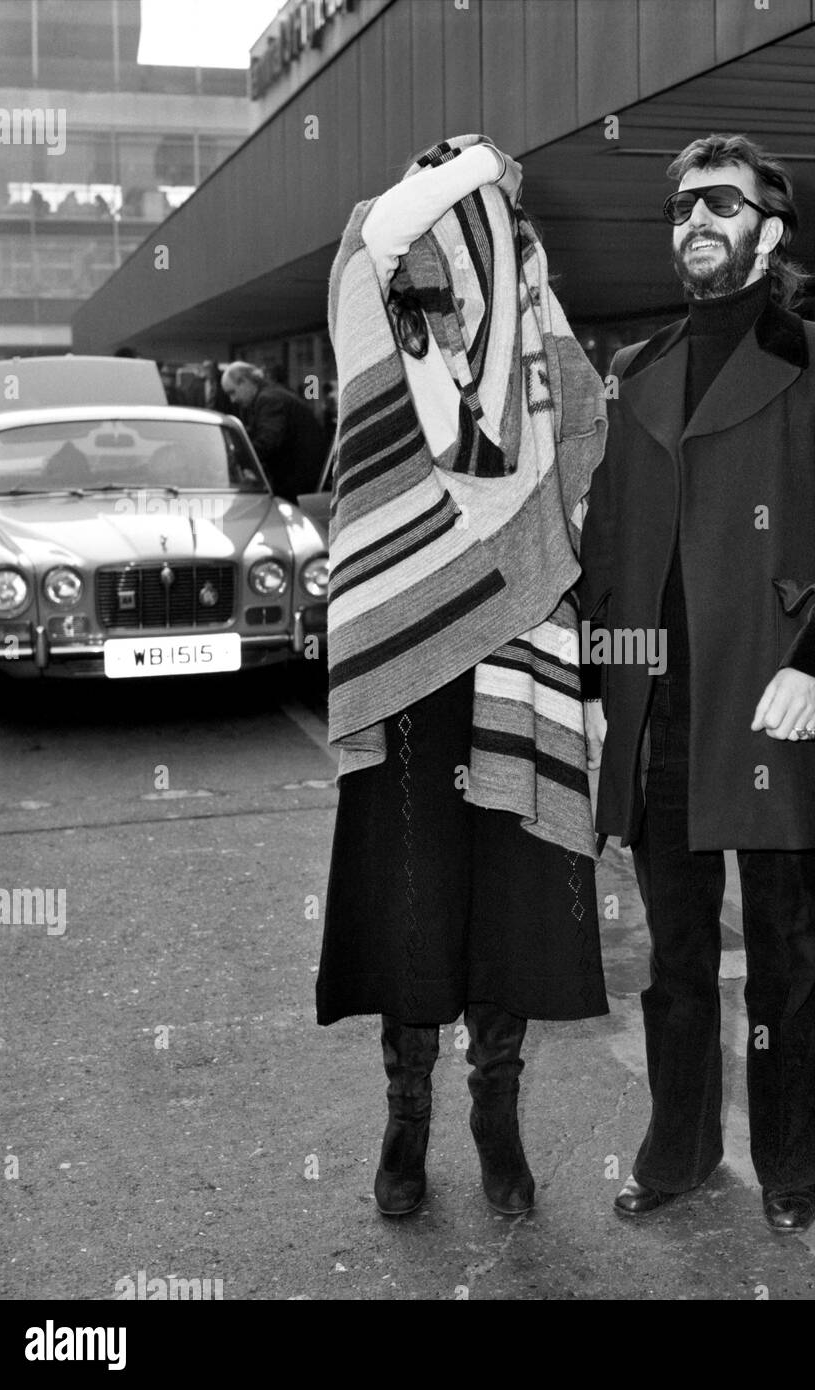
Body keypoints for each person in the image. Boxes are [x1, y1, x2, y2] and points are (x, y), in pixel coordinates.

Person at [578, 134, 815, 1234]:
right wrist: (597, 702)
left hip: (771, 704)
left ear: (771, 227)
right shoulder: (637, 369)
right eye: (679, 207)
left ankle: (791, 1164)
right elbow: (612, 557)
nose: (694, 220)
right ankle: (678, 1149)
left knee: (785, 959)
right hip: (662, 715)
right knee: (670, 961)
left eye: (720, 201)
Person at [315, 134, 609, 1220]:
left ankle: (497, 1109)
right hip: (406, 660)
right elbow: (381, 229)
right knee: (409, 897)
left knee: (507, 888)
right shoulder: (373, 316)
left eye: (477, 246)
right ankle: (407, 1117)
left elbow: (584, 436)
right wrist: (476, 161)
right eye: (446, 238)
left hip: (512, 650)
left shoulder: (525, 344)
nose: (457, 260)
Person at [220, 361, 326, 504]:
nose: (233, 400)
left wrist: (240, 460)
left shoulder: (269, 400)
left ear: (244, 382)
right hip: (300, 477)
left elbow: (268, 442)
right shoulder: (272, 394)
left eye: (232, 392)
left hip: (296, 483)